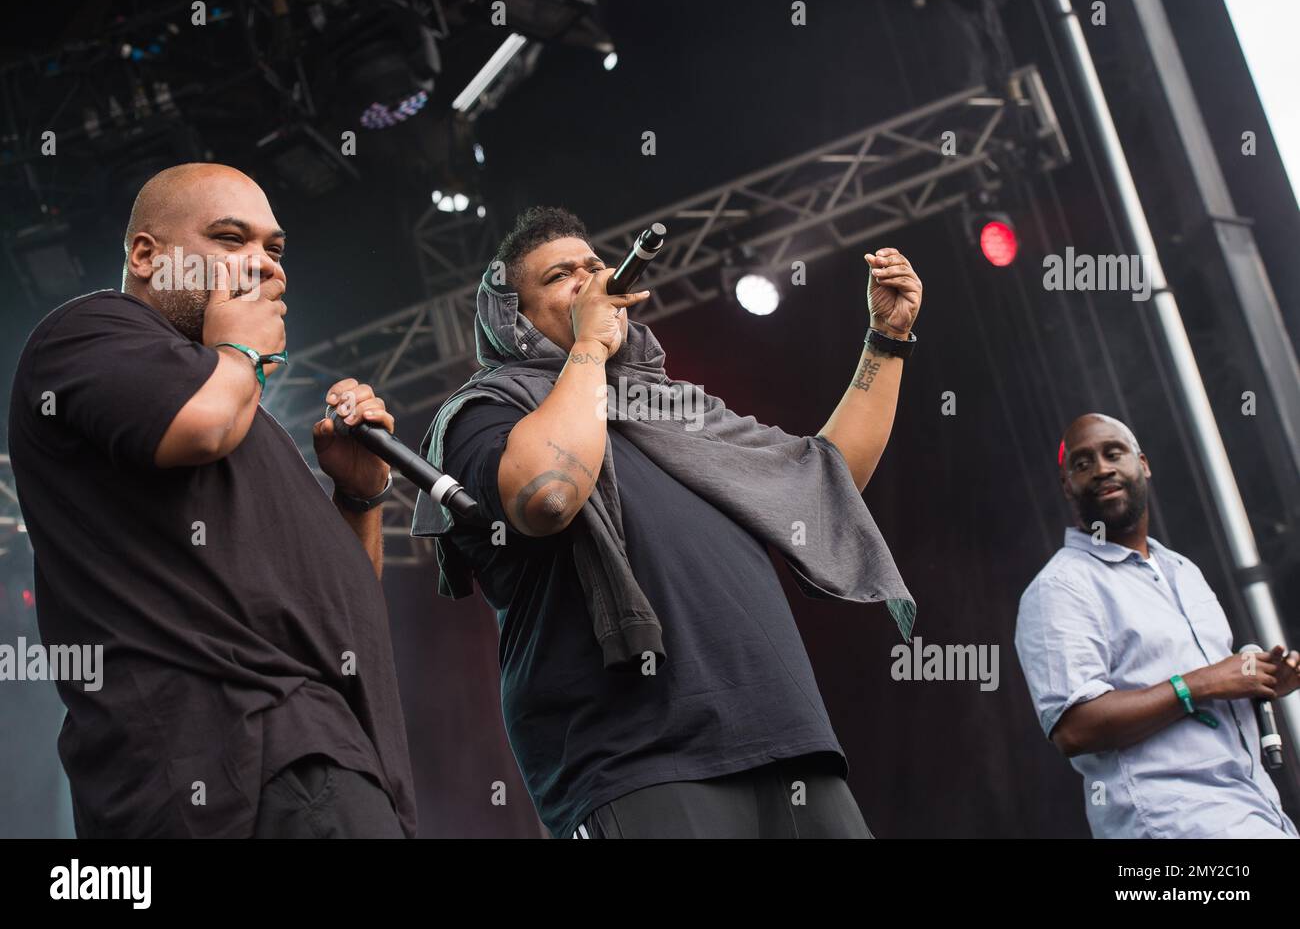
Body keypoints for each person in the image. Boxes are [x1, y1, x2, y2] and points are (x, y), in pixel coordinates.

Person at [412, 206, 923, 838]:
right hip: (638, 760)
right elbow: (547, 496)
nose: (590, 280)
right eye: (561, 276)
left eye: (595, 267)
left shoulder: (678, 413)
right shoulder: (486, 411)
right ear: (511, 317)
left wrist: (886, 342)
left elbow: (826, 477)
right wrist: (590, 347)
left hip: (788, 741)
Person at [7, 163, 416, 838]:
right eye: (231, 239)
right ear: (147, 255)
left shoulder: (246, 420)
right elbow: (199, 426)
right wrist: (243, 350)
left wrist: (357, 495)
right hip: (243, 762)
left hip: (322, 761)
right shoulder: (90, 333)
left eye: (274, 250)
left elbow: (341, 609)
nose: (264, 265)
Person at [1015, 412, 1299, 838]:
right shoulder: (1061, 586)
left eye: (1114, 453)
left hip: (1255, 810)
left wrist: (1260, 681)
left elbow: (1214, 691)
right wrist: (1200, 683)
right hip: (1174, 823)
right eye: (1082, 463)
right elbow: (1074, 728)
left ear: (1142, 463)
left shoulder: (1182, 570)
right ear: (1067, 486)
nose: (1102, 468)